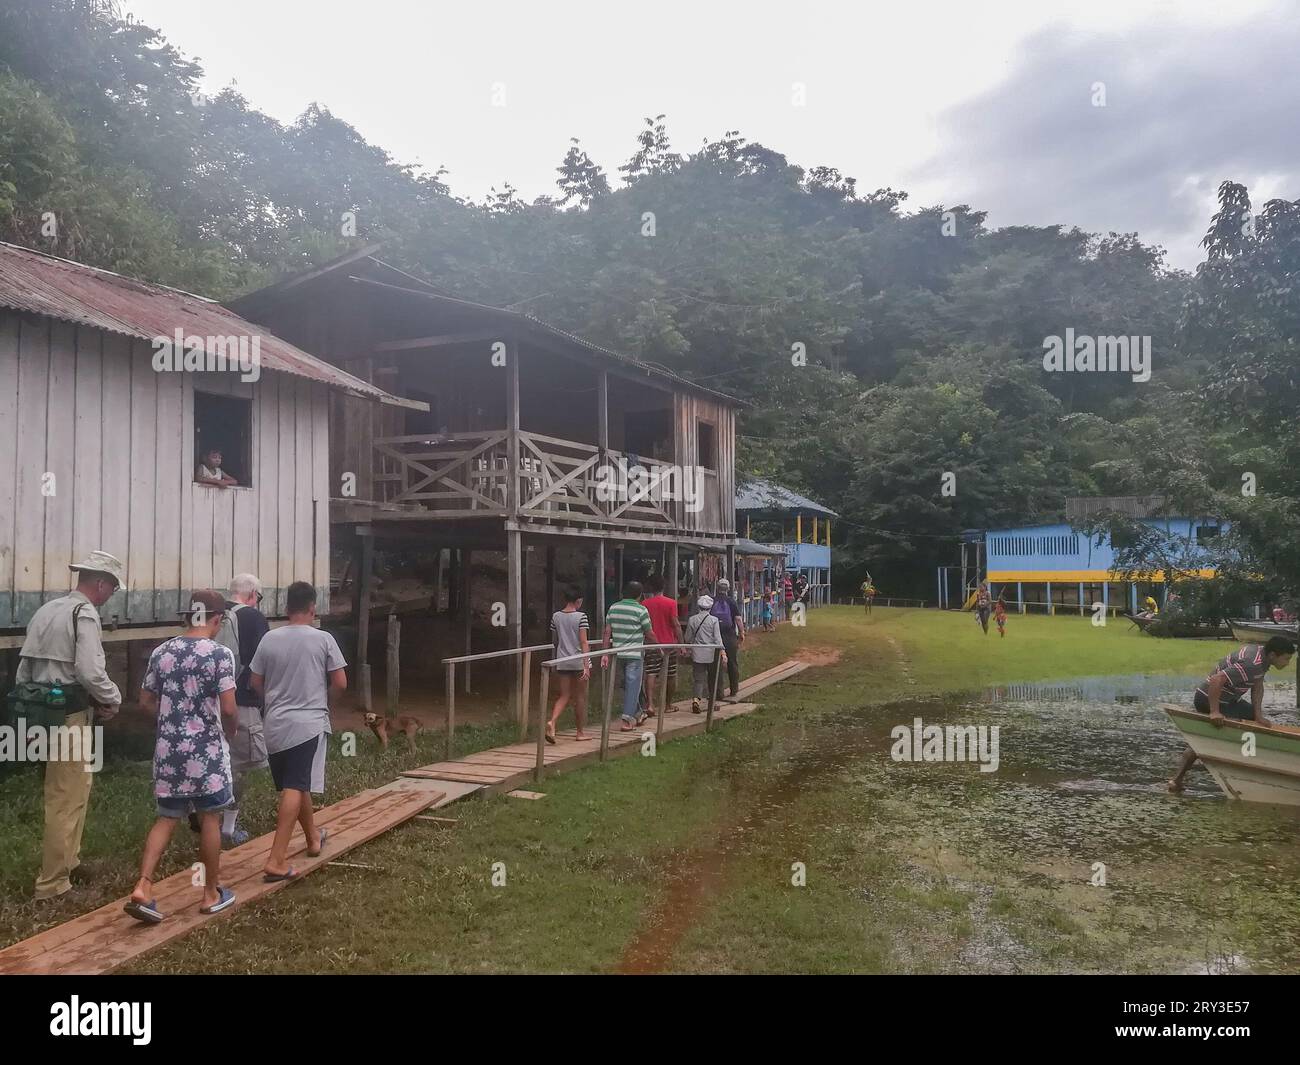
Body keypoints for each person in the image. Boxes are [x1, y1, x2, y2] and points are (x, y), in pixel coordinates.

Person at [11, 551, 124, 900]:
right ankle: (53, 885)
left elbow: (23, 670)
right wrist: (113, 698)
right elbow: (90, 672)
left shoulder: (47, 610)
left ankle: (69, 862)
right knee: (66, 797)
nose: (110, 596)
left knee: (75, 789)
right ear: (102, 584)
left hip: (42, 714)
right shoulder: (84, 614)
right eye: (113, 589)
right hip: (69, 718)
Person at [125, 590, 239, 922]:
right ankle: (209, 892)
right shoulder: (219, 654)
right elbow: (229, 708)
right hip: (206, 750)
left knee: (166, 817)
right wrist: (230, 731)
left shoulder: (162, 652)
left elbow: (145, 701)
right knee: (210, 818)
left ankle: (143, 886)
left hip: (168, 750)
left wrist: (170, 721)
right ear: (216, 619)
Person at [249, 581, 347, 882]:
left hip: (275, 724)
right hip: (308, 724)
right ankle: (276, 860)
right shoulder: (323, 639)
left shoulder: (268, 639)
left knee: (296, 783)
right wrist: (325, 704)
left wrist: (273, 703)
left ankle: (313, 838)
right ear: (312, 608)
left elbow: (255, 682)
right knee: (295, 786)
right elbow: (341, 682)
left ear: (287, 607)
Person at [1168, 636, 1297, 793]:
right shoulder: (1252, 664)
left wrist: (1258, 715)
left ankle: (1177, 780)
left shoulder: (1261, 658)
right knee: (1209, 736)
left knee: (1249, 720)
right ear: (1273, 655)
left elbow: (1257, 685)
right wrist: (1215, 712)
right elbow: (1217, 679)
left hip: (1228, 699)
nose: (1288, 663)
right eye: (1286, 659)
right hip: (1208, 699)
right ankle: (1178, 780)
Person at [218, 573, 270, 845]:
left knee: (216, 761)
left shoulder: (215, 615)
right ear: (252, 594)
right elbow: (265, 661)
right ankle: (227, 826)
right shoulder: (253, 618)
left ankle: (202, 816)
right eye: (259, 598)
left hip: (210, 702)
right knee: (240, 765)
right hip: (241, 702)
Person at [601, 581, 655, 731]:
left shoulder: (614, 607)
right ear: (640, 595)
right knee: (633, 686)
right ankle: (627, 720)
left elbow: (607, 632)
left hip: (619, 653)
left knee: (628, 684)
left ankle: (638, 713)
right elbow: (649, 632)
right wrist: (659, 646)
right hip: (635, 653)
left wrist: (605, 652)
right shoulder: (641, 610)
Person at [548, 586, 592, 743]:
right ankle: (580, 732)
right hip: (578, 660)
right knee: (579, 697)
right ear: (578, 600)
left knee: (564, 695)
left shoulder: (556, 617)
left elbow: (555, 639)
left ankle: (552, 721)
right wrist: (587, 665)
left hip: (562, 660)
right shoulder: (581, 617)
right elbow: (584, 641)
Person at [642, 574, 683, 714]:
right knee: (671, 674)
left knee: (651, 673)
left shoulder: (645, 604)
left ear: (651, 588)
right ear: (663, 587)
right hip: (669, 644)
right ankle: (668, 705)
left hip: (651, 644)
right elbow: (676, 624)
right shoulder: (671, 603)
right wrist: (681, 644)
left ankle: (650, 705)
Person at [685, 595, 725, 713]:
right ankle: (711, 703)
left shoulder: (692, 619)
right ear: (710, 607)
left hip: (697, 652)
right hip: (711, 652)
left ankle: (696, 700)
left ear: (699, 606)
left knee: (698, 678)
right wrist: (723, 652)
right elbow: (717, 639)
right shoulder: (714, 620)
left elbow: (687, 637)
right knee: (712, 678)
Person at [711, 578, 745, 699]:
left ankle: (718, 692)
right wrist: (741, 632)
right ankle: (734, 689)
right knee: (732, 662)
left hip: (714, 636)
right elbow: (738, 619)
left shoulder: (712, 601)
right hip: (729, 636)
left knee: (716, 664)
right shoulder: (731, 602)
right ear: (728, 589)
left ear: (717, 588)